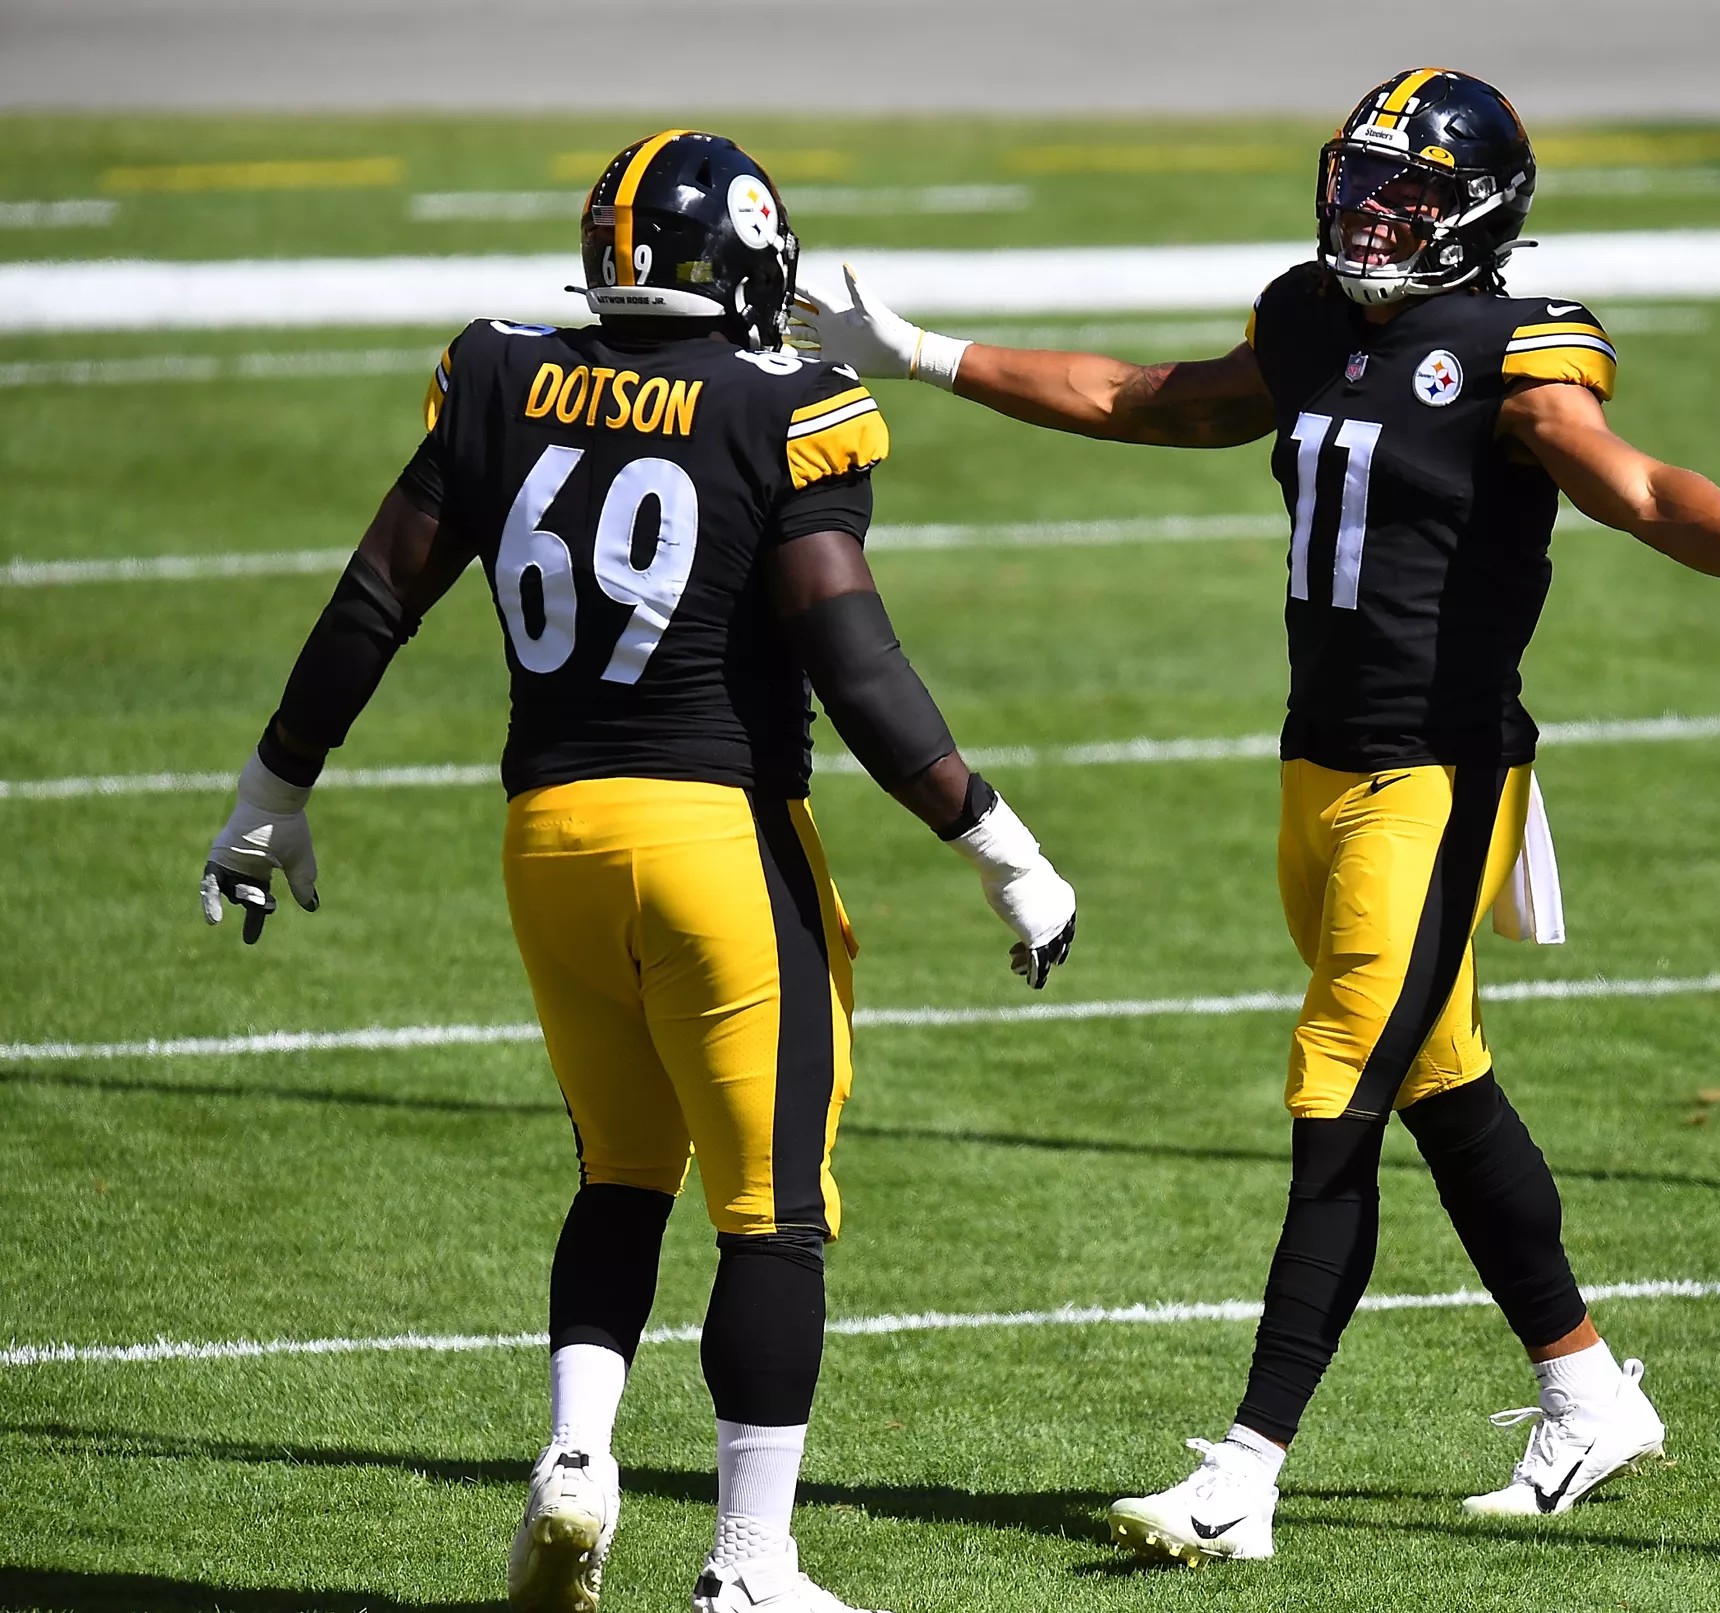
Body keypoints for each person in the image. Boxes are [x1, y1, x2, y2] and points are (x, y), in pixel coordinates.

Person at [792, 69, 1720, 1563]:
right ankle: (1588, 1394)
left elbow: (1629, 488)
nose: (1372, 217)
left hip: (1440, 772)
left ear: (1479, 210)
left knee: (1335, 1079)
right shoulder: (1307, 317)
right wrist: (918, 352)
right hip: (1319, 766)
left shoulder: (1517, 349)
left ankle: (1244, 1472)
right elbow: (1141, 400)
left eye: (1408, 194)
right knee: (1442, 1074)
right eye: (1360, 186)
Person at [198, 129, 1078, 1613]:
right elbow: (852, 661)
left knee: (620, 1166)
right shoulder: (784, 401)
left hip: (549, 843)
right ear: (740, 263)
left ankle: (576, 1463)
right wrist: (998, 840)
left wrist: (272, 788)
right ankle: (750, 1566)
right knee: (773, 1210)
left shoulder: (499, 372)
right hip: (715, 842)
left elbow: (375, 595)